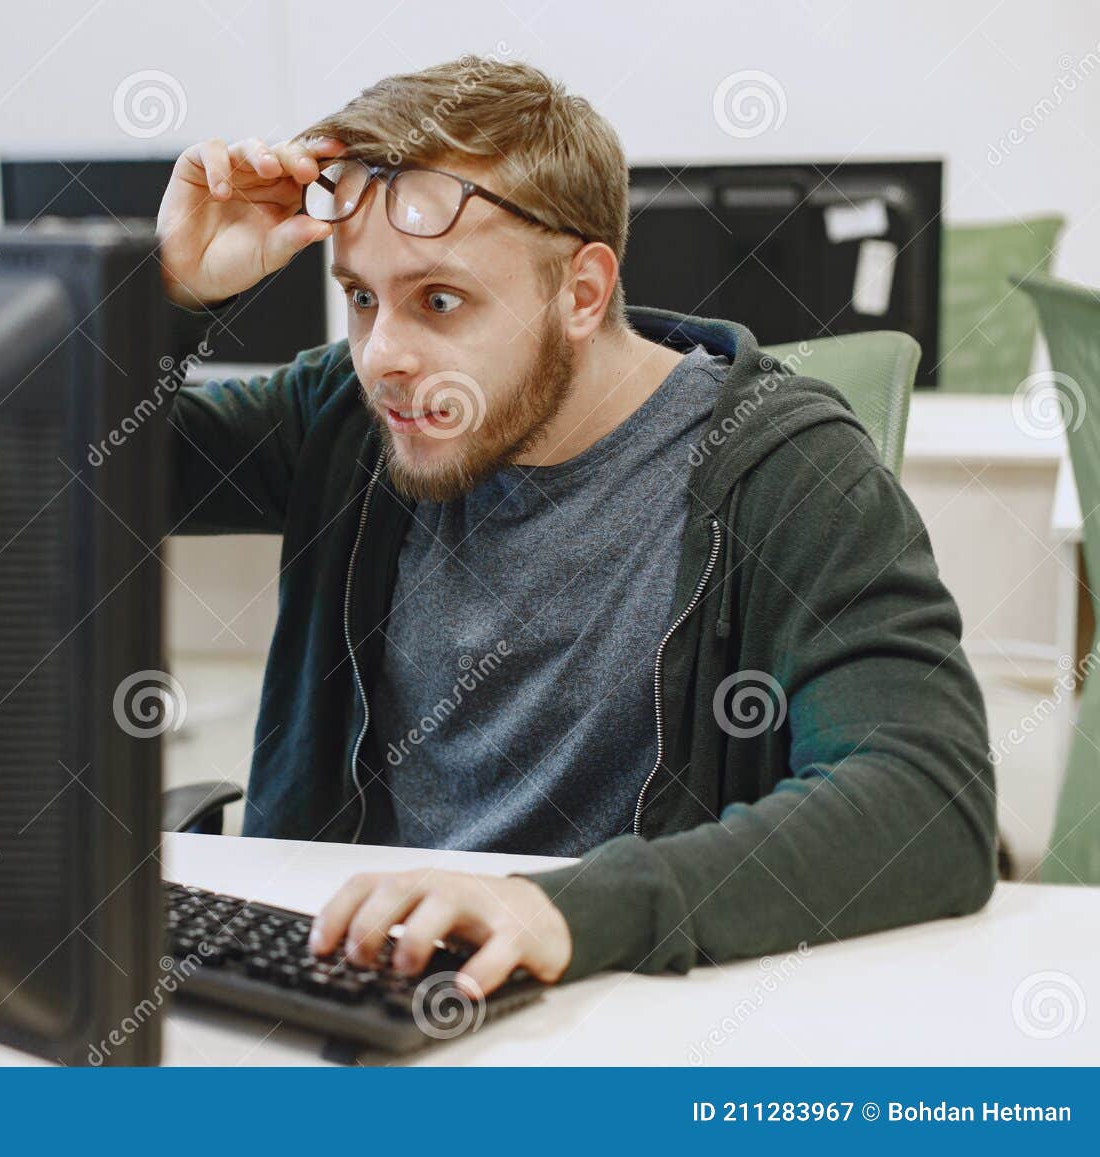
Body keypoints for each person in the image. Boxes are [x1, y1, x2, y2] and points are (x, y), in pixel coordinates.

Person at [154, 57, 995, 997]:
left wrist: (567, 908)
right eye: (360, 297)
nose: (383, 354)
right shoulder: (343, 422)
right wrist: (166, 295)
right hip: (355, 984)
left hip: (616, 1004)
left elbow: (928, 802)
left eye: (439, 300)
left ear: (583, 293)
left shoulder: (786, 471)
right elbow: (47, 466)